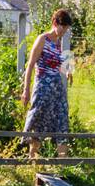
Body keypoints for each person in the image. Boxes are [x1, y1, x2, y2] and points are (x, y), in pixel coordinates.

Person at [21, 8, 73, 159]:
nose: (64, 31)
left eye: (67, 28)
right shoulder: (42, 39)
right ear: (55, 23)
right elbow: (30, 65)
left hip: (57, 89)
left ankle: (63, 164)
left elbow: (64, 64)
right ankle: (32, 159)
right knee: (38, 120)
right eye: (63, 27)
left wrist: (69, 71)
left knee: (62, 119)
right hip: (43, 87)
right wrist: (26, 90)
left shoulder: (60, 43)